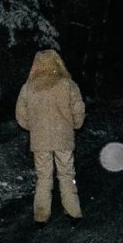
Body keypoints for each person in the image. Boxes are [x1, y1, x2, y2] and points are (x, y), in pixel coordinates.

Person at [14, 48, 86, 227]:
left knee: (43, 177)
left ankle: (41, 216)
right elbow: (78, 108)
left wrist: (34, 127)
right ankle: (73, 213)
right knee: (67, 174)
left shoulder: (28, 87)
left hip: (40, 140)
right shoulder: (67, 84)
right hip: (63, 137)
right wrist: (75, 125)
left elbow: (20, 114)